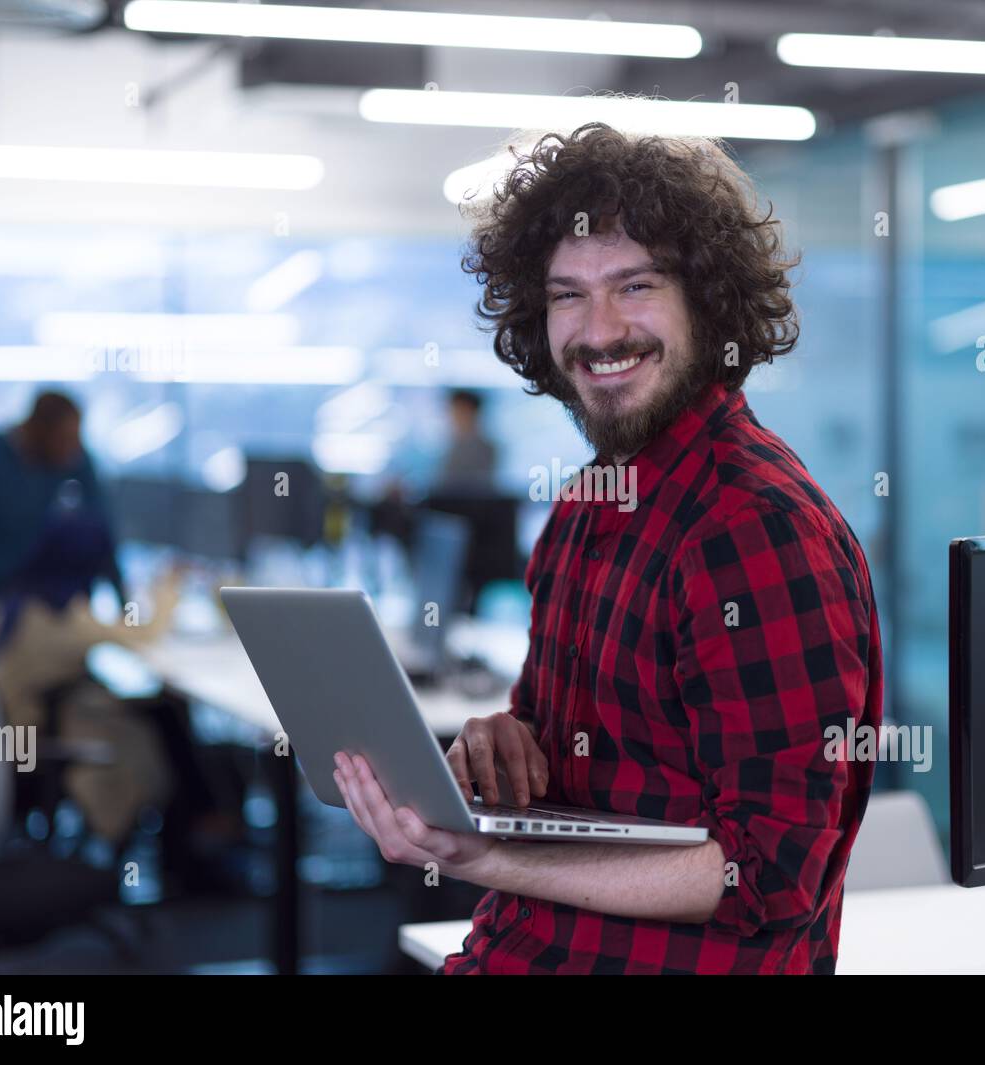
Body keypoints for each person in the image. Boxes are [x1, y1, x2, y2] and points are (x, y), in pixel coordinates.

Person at [333, 122, 884, 974]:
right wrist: (504, 744)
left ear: (708, 298)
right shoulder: (591, 505)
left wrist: (483, 857)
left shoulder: (753, 528)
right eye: (566, 295)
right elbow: (593, 751)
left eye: (635, 285)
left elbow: (772, 872)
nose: (598, 329)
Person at [0, 506, 176, 846]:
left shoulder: (5, 605)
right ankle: (189, 844)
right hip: (37, 745)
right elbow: (142, 635)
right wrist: (169, 589)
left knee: (152, 712)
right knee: (160, 723)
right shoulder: (61, 618)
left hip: (1, 741)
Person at [0, 391, 122, 618]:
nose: (73, 449)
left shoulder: (73, 460)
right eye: (64, 440)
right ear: (36, 429)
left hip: (25, 612)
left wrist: (125, 606)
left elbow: (102, 534)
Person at [434, 389, 498, 492]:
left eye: (460, 411)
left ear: (473, 413)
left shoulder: (486, 449)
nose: (454, 417)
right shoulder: (448, 446)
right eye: (453, 411)